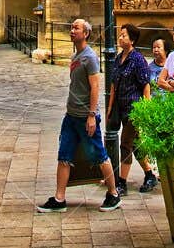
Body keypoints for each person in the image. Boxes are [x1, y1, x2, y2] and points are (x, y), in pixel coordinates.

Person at [37, 19, 122, 213]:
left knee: (99, 155)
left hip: (85, 117)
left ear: (86, 34)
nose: (72, 30)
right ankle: (59, 199)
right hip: (71, 115)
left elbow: (95, 86)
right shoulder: (76, 55)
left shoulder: (90, 57)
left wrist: (92, 115)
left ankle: (113, 193)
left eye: (76, 28)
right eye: (71, 27)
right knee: (64, 156)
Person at [105, 24, 158, 193]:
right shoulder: (118, 59)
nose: (120, 38)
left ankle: (122, 183)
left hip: (134, 109)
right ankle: (149, 174)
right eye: (120, 35)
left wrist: (146, 109)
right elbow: (113, 85)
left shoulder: (138, 59)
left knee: (125, 144)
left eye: (124, 35)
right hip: (120, 108)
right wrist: (110, 107)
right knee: (135, 144)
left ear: (132, 40)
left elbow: (146, 85)